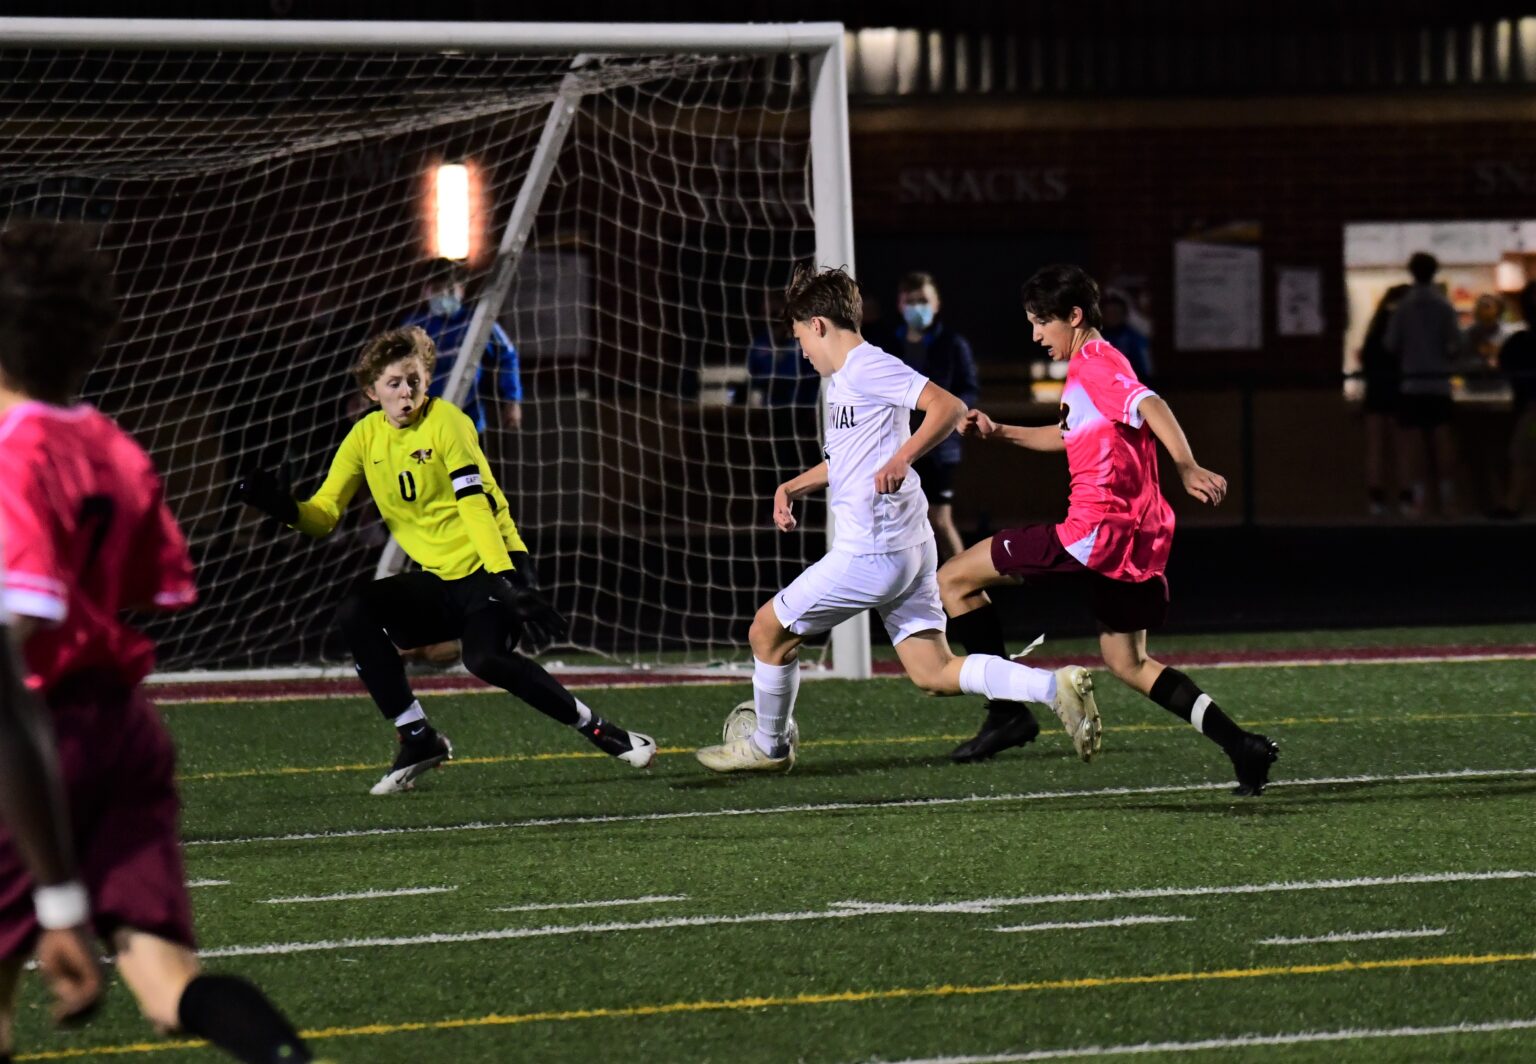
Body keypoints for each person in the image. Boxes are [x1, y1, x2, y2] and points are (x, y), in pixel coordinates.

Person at [0, 221, 316, 1062]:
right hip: (124, 731)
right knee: (170, 983)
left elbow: (10, 659)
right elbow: (156, 582)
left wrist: (61, 903)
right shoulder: (110, 447)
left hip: (31, 736)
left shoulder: (10, 457)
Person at [694, 265, 1101, 774]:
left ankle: (769, 746)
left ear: (818, 325)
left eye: (800, 337)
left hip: (872, 553)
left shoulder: (866, 365)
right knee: (934, 671)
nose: (801, 350)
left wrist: (902, 457)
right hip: (907, 547)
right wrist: (792, 486)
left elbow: (948, 407)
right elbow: (849, 458)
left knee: (766, 631)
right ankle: (1052, 687)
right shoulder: (846, 378)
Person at [237, 326, 656, 795]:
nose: (406, 391)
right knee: (356, 610)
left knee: (484, 659)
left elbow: (475, 506)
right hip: (438, 578)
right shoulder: (364, 438)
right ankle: (417, 737)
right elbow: (324, 516)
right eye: (394, 383)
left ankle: (601, 730)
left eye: (414, 379)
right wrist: (280, 506)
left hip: (491, 564)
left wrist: (510, 581)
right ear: (371, 392)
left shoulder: (449, 422)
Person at [938, 264, 1279, 796]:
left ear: (1073, 317)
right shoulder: (1097, 365)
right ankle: (1243, 746)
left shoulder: (1094, 362)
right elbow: (1069, 434)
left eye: (1041, 323)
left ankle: (1006, 712)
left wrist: (1187, 466)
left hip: (1092, 533)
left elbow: (1150, 402)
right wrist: (999, 429)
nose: (1035, 335)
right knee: (1127, 660)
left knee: (954, 578)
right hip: (1136, 541)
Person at [890, 271, 978, 560]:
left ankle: (964, 581)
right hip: (901, 445)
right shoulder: (888, 346)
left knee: (940, 519)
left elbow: (968, 389)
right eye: (911, 301)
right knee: (905, 523)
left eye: (923, 300)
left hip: (941, 447)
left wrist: (948, 414)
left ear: (936, 303)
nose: (918, 307)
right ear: (901, 305)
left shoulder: (953, 344)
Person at [401, 258, 523, 433]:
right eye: (436, 290)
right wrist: (365, 397)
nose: (443, 296)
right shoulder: (411, 328)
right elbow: (387, 366)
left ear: (462, 290)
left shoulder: (477, 322)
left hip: (468, 421)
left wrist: (512, 400)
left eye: (450, 289)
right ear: (424, 292)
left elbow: (507, 357)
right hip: (422, 424)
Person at [1385, 252, 1461, 517]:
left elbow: (1390, 345)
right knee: (1442, 440)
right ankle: (1448, 498)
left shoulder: (1403, 308)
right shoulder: (1444, 306)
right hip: (1439, 384)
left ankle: (1418, 500)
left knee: (1413, 446)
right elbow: (1456, 345)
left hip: (1412, 384)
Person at [1358, 284, 1410, 516]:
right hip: (1398, 392)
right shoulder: (1402, 328)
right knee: (1401, 449)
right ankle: (1405, 498)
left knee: (1375, 449)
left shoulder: (1376, 327)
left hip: (1375, 392)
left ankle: (1375, 500)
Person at [1493, 281, 1536, 518]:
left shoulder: (1519, 342)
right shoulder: (1521, 341)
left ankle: (1512, 505)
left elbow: (1505, 366)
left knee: (1522, 455)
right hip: (1530, 410)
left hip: (1530, 412)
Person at [1098, 291, 1151, 381]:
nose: (1112, 317)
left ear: (1124, 314)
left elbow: (1146, 369)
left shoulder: (1135, 338)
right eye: (1109, 313)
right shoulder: (1094, 338)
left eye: (1116, 313)